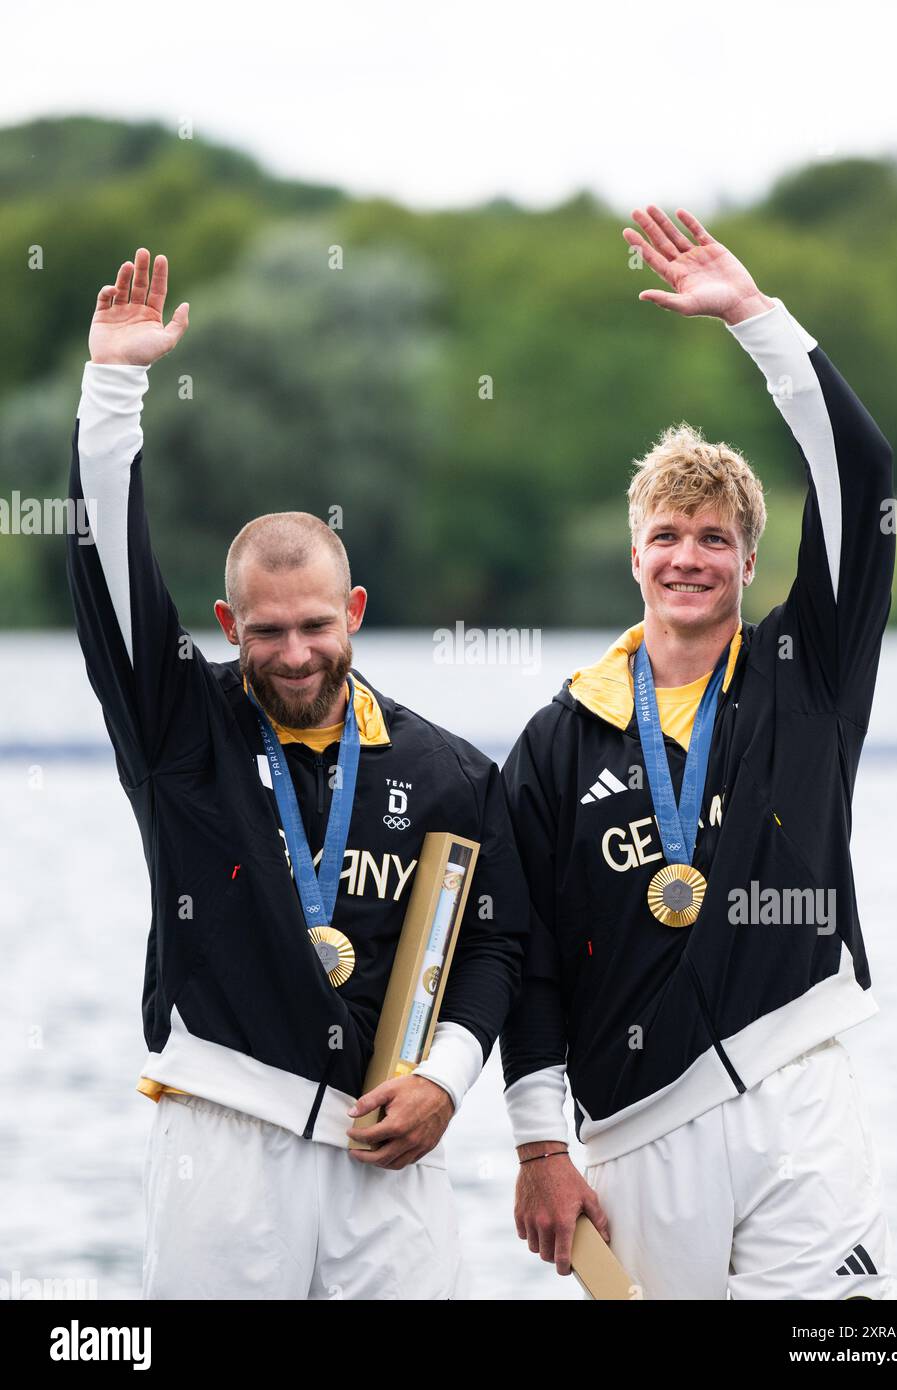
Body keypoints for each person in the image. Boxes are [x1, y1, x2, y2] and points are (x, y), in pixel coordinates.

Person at [66, 247, 529, 1300]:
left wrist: (448, 1085)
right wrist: (114, 389)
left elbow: (497, 939)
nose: (292, 652)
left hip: (390, 1146)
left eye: (316, 625)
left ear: (353, 613)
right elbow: (109, 580)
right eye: (265, 631)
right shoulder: (180, 731)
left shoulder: (448, 768)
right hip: (225, 1136)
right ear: (228, 625)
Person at [500, 204, 894, 1300]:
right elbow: (518, 953)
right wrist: (539, 1146)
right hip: (633, 1131)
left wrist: (754, 318)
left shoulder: (803, 672)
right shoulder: (552, 742)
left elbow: (860, 479)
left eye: (712, 537)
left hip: (794, 1083)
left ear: (747, 558)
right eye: (667, 536)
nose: (687, 557)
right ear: (634, 554)